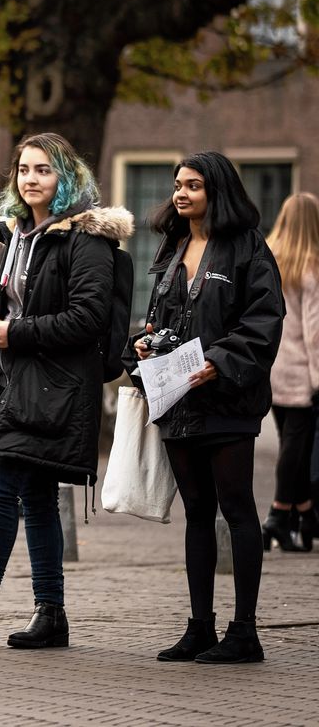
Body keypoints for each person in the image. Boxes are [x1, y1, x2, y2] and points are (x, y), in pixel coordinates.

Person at [0, 133, 131, 650]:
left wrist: (14, 332)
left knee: (0, 487)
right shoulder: (17, 233)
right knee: (36, 499)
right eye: (24, 170)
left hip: (56, 388)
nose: (31, 179)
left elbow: (88, 319)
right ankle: (50, 614)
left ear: (65, 178)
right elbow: (19, 305)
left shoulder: (86, 239)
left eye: (43, 170)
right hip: (14, 380)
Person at [124, 151, 283, 664]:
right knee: (196, 513)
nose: (181, 192)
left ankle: (245, 632)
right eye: (177, 184)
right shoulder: (171, 250)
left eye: (193, 184)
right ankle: (200, 628)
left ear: (217, 190)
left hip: (229, 399)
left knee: (237, 509)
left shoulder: (246, 249)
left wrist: (219, 360)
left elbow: (264, 321)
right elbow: (158, 320)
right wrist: (144, 346)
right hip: (178, 400)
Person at [262, 192, 319, 552]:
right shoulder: (311, 266)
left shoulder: (269, 258)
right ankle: (278, 517)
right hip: (301, 370)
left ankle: (305, 514)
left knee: (291, 447)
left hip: (272, 367)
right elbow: (315, 332)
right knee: (296, 449)